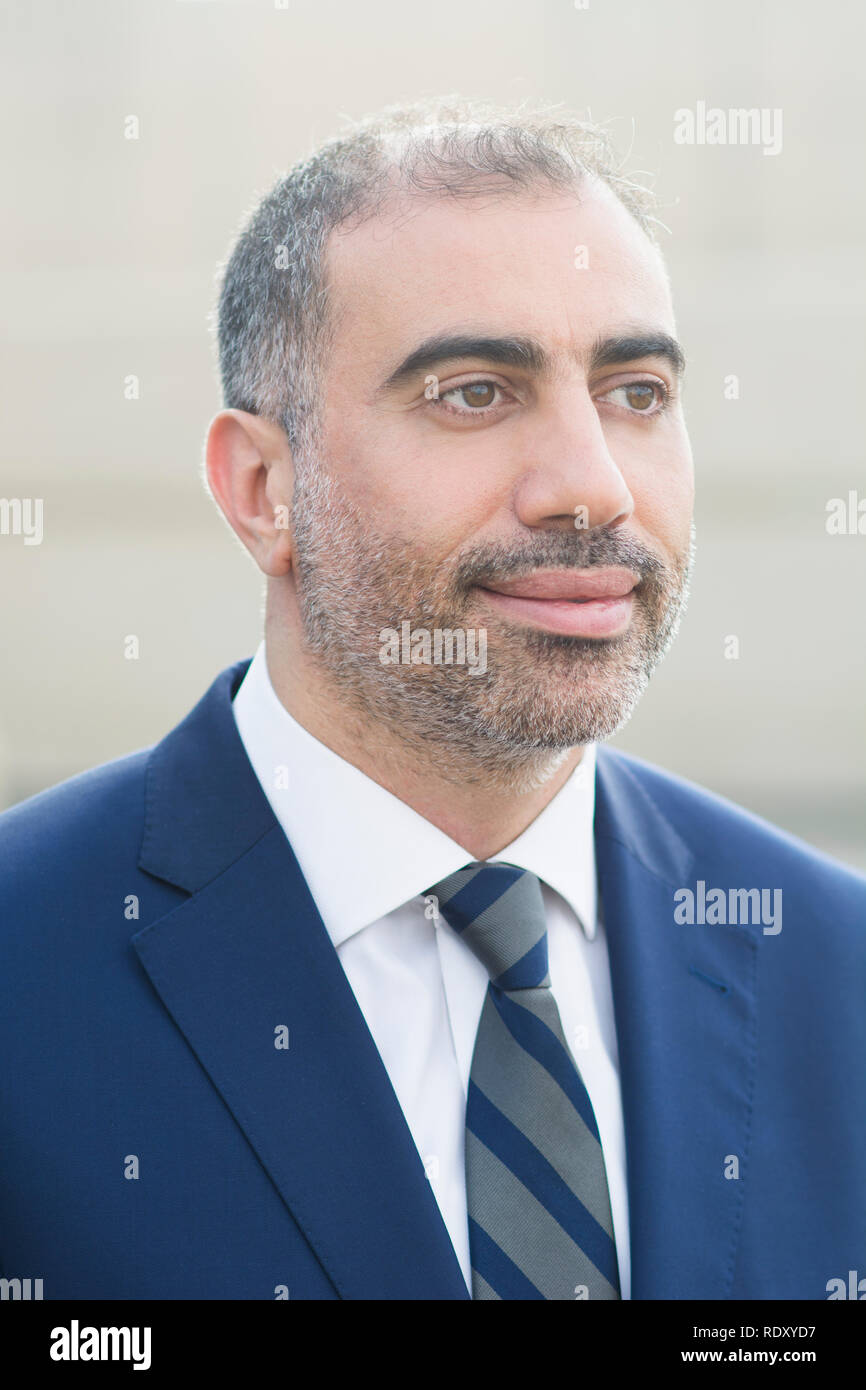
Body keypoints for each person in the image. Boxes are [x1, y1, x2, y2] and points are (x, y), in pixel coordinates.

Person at [0, 98, 863, 1302]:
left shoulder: (835, 966)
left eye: (634, 392)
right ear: (262, 487)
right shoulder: (22, 968)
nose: (592, 487)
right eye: (473, 392)